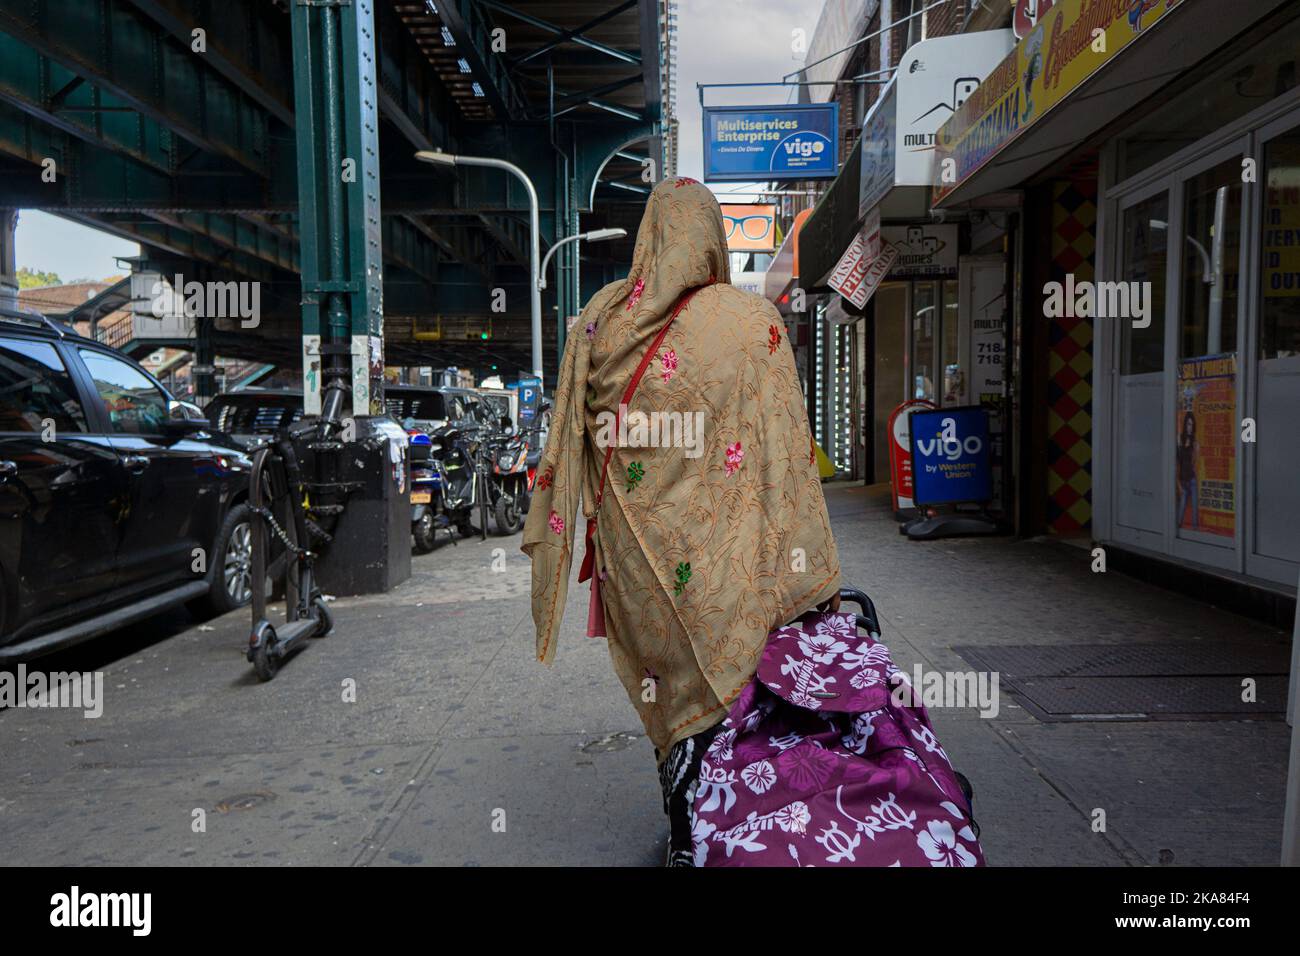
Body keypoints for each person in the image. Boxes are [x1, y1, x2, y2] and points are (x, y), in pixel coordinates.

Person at [521, 177, 842, 865]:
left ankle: (685, 821)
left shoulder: (599, 321)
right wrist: (806, 569)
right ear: (712, 237)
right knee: (734, 696)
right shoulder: (750, 321)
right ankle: (735, 826)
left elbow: (568, 444)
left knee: (668, 698)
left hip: (635, 566)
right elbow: (787, 454)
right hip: (731, 566)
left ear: (648, 235)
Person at [1176, 409, 1198, 530]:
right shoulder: (1179, 438)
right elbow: (1177, 463)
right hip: (1183, 480)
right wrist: (1178, 483)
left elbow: (1194, 463)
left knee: (1195, 510)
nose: (1190, 427)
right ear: (1185, 424)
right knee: (1181, 510)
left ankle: (1195, 532)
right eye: (1188, 424)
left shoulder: (1195, 443)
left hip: (1192, 479)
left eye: (1192, 424)